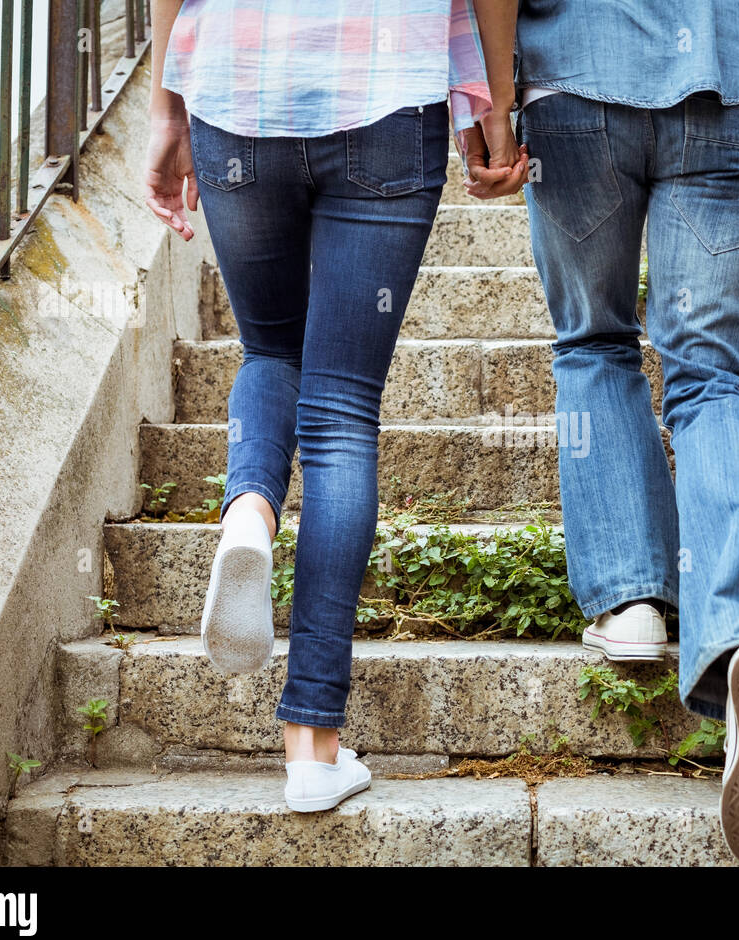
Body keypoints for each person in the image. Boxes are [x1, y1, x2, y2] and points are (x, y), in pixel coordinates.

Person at [472, 1, 739, 865]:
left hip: (577, 88)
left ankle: (631, 598)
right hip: (730, 90)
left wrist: (494, 105)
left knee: (594, 340)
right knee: (714, 377)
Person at [144, 0, 526, 813]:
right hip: (386, 89)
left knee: (269, 348)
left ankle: (250, 509)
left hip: (236, 87)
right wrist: (496, 101)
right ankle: (313, 747)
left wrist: (164, 107)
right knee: (343, 411)